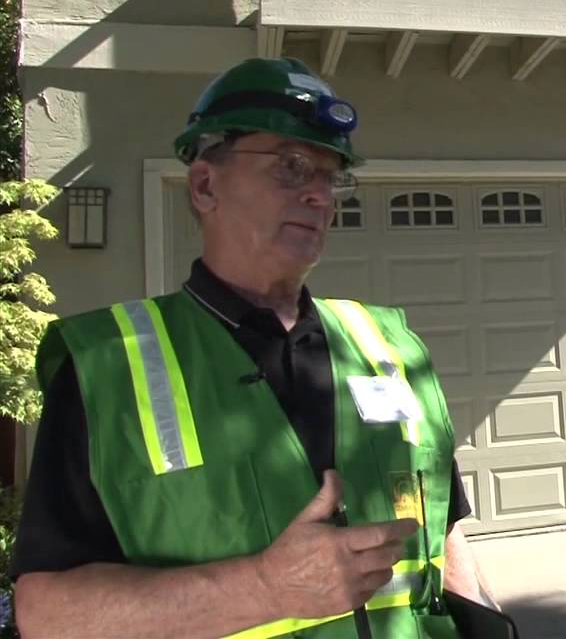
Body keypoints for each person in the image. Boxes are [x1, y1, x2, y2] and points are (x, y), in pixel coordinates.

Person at [11, 57, 496, 639]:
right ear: (205, 185)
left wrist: (486, 620)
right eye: (292, 167)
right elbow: (44, 615)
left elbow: (444, 532)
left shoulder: (385, 344)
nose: (320, 194)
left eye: (331, 175)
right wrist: (265, 589)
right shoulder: (108, 366)